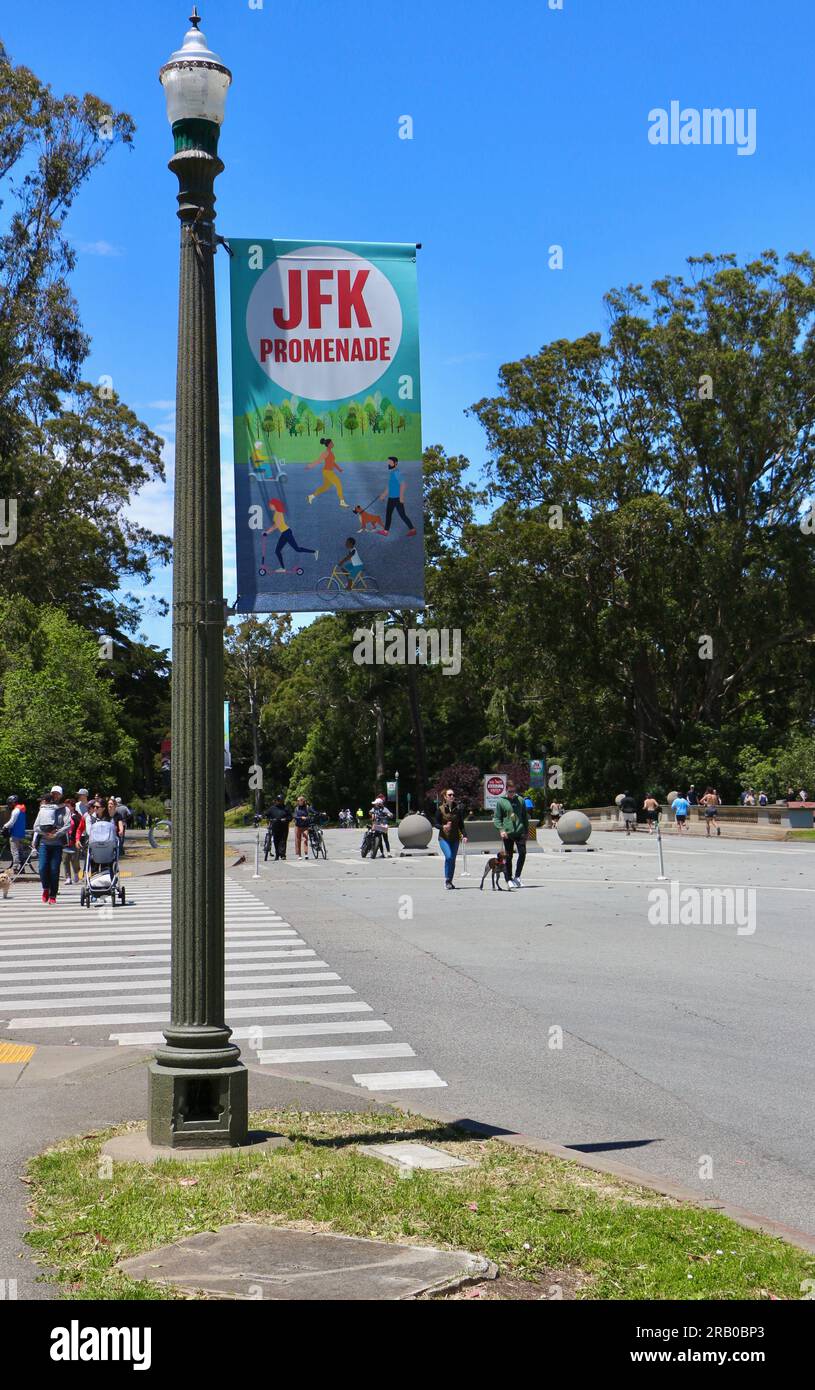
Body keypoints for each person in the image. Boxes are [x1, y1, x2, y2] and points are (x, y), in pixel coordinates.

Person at [32, 787, 72, 904]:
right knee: (42, 868)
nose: (55, 796)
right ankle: (45, 888)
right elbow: (36, 826)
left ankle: (53, 894)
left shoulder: (65, 809)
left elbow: (68, 825)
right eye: (53, 793)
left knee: (54, 870)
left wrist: (56, 834)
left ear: (61, 795)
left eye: (58, 794)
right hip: (44, 843)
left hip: (57, 844)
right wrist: (46, 833)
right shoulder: (43, 809)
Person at [262, 497, 318, 573]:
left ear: (275, 505)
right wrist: (267, 531)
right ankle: (282, 568)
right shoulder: (276, 513)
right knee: (277, 550)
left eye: (271, 505)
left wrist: (267, 532)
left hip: (287, 533)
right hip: (284, 533)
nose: (270, 506)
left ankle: (314, 552)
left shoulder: (278, 513)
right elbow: (275, 525)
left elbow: (276, 525)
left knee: (297, 549)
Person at [492, 778, 529, 889]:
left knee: (522, 853)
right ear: (506, 790)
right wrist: (501, 830)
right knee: (508, 857)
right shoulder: (501, 801)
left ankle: (517, 877)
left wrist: (526, 831)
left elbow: (524, 817)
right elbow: (497, 818)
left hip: (520, 832)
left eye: (514, 791)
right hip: (507, 833)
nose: (512, 794)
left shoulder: (520, 800)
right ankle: (508, 879)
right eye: (510, 791)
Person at [435, 788, 467, 890]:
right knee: (448, 857)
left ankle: (449, 881)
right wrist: (443, 827)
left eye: (453, 795)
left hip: (455, 839)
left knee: (452, 860)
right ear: (445, 797)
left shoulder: (457, 809)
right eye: (450, 795)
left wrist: (465, 835)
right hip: (443, 838)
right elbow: (435, 823)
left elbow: (461, 824)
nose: (452, 796)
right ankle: (447, 880)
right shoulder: (440, 809)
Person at [376, 457, 417, 537]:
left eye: (390, 462)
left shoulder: (396, 473)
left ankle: (412, 530)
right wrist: (383, 495)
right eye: (388, 462)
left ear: (395, 463)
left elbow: (403, 484)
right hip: (391, 498)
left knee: (402, 515)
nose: (389, 464)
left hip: (397, 498)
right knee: (388, 514)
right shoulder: (392, 473)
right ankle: (386, 531)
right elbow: (389, 486)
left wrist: (401, 497)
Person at [307, 438, 348, 508]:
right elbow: (318, 461)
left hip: (328, 472)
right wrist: (310, 466)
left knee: (325, 487)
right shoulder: (325, 453)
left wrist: (339, 469)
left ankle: (311, 496)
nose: (333, 444)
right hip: (327, 472)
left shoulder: (331, 452)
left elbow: (333, 462)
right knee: (338, 482)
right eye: (332, 443)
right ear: (328, 445)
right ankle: (342, 502)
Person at [2, 795, 28, 874]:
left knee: (15, 851)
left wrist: (5, 826)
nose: (9, 805)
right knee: (20, 851)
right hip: (21, 833)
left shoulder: (16, 810)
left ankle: (15, 868)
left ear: (13, 802)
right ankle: (22, 868)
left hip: (14, 833)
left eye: (10, 803)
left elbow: (12, 822)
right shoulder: (22, 809)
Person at [62, 797, 82, 885]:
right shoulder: (63, 816)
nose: (66, 808)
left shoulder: (77, 816)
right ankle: (68, 877)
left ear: (73, 807)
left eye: (68, 806)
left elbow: (80, 829)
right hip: (65, 841)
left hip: (74, 840)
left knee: (74, 859)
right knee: (65, 859)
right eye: (65, 806)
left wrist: (78, 839)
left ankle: (76, 873)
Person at [266, 794, 291, 860]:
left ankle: (283, 855)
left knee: (283, 841)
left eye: (281, 801)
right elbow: (267, 814)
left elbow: (290, 817)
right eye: (279, 801)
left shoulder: (286, 808)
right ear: (276, 801)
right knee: (276, 841)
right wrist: (268, 819)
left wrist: (286, 819)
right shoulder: (272, 808)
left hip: (284, 827)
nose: (280, 802)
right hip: (275, 827)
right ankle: (277, 854)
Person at [293, 796, 311, 860]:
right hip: (298, 826)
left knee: (305, 839)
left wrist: (320, 813)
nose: (298, 802)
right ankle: (299, 855)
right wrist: (301, 818)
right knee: (298, 840)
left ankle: (306, 854)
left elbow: (312, 812)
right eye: (298, 801)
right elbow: (295, 816)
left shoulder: (307, 807)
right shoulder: (296, 808)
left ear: (303, 801)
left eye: (299, 800)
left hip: (305, 826)